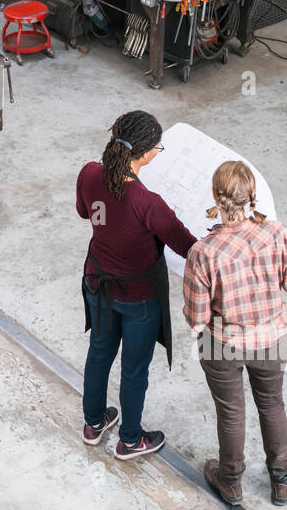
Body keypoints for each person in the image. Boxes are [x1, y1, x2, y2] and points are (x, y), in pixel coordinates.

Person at [183, 160, 287, 507]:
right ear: (252, 196)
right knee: (272, 404)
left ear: (215, 196)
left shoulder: (203, 252)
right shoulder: (276, 232)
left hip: (223, 344)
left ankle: (231, 481)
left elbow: (197, 320)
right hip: (272, 339)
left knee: (231, 413)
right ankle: (281, 480)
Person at [76, 111, 198, 461]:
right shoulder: (149, 203)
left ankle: (93, 422)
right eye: (158, 148)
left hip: (97, 283)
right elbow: (187, 246)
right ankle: (130, 440)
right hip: (139, 299)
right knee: (133, 369)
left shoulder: (89, 174)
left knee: (99, 353)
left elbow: (87, 212)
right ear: (145, 154)